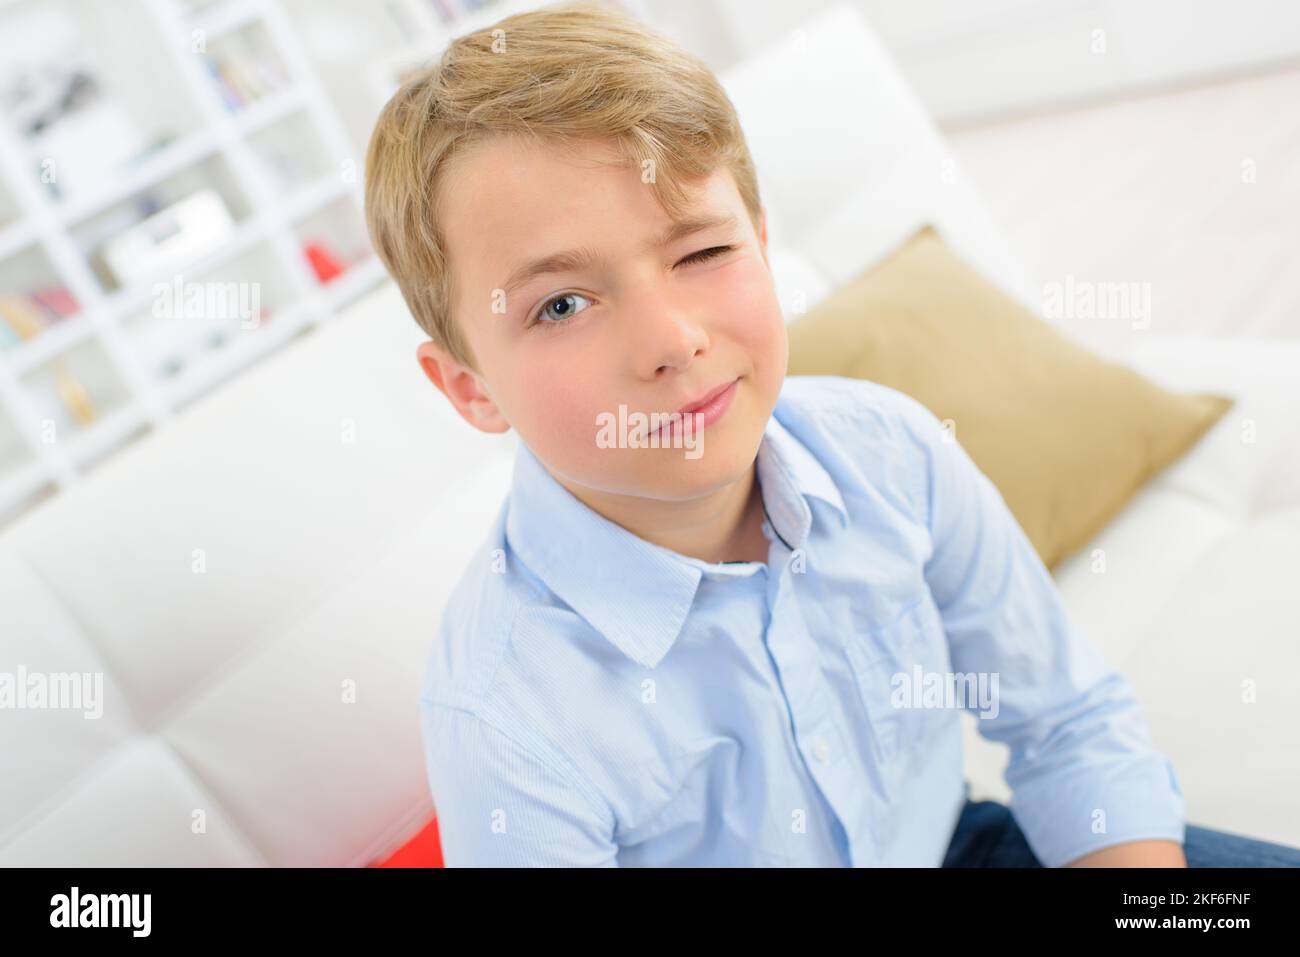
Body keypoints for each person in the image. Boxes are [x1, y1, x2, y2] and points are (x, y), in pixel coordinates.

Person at [363, 1, 1300, 867]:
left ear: (763, 247)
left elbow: (1067, 724)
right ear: (470, 388)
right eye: (561, 303)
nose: (670, 340)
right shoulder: (502, 714)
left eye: (700, 251)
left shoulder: (891, 448)